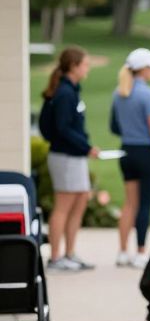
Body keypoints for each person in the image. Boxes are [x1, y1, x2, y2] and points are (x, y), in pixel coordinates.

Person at [38, 46, 99, 272]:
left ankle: (69, 253)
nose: (88, 69)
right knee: (63, 206)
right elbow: (62, 128)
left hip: (74, 155)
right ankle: (55, 258)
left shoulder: (71, 90)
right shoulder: (64, 93)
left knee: (81, 198)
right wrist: (86, 146)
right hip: (65, 157)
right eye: (85, 64)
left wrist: (83, 147)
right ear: (73, 66)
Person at [110, 48, 150, 268]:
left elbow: (114, 126)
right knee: (144, 204)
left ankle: (122, 251)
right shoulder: (148, 94)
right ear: (143, 69)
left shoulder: (119, 93)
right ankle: (141, 252)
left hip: (127, 152)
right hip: (147, 153)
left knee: (130, 204)